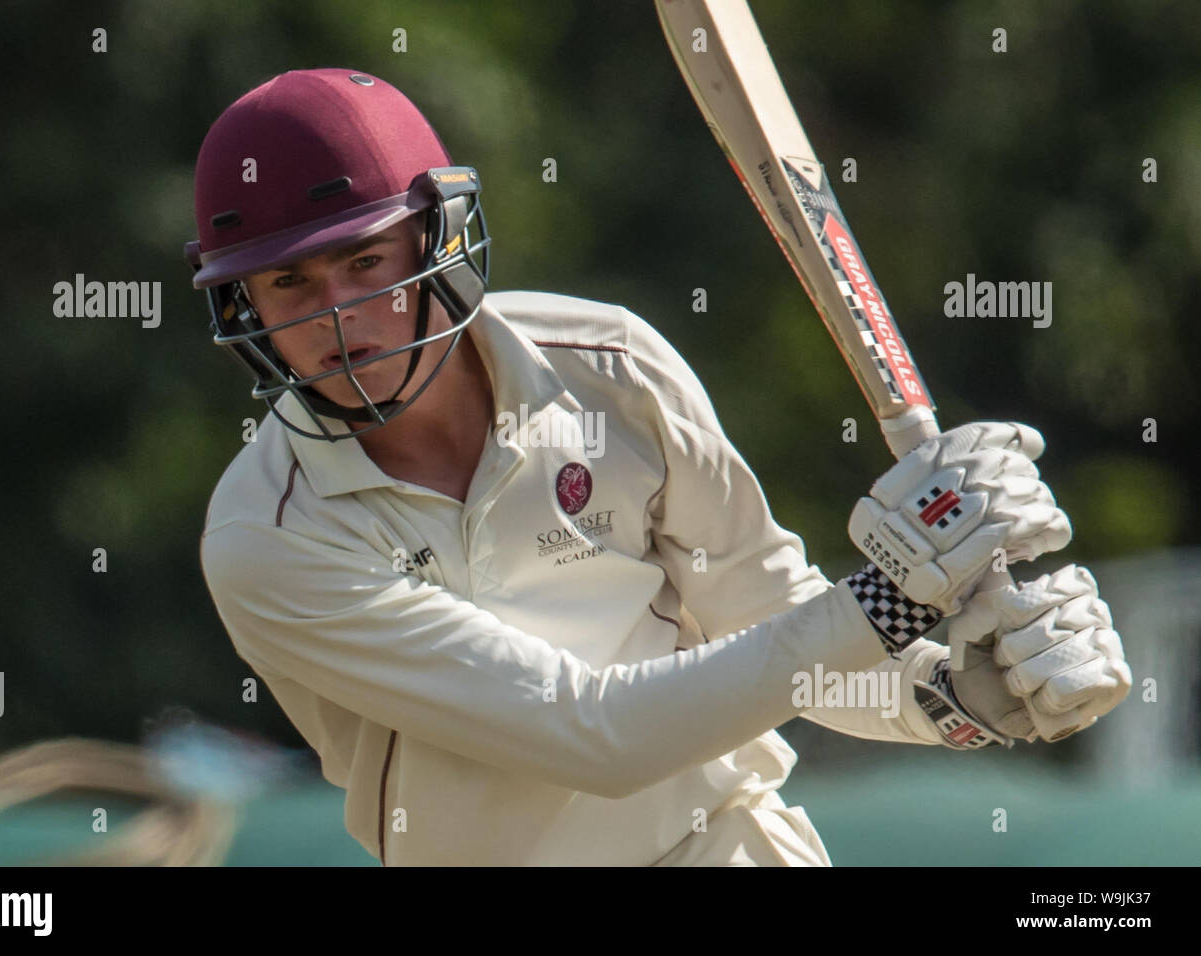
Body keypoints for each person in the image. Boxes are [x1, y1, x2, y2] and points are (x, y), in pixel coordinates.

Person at [186, 68, 1131, 866]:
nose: (339, 317)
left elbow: (770, 630)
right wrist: (895, 598)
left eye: (363, 260)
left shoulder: (610, 371)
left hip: (728, 845)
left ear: (439, 241)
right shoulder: (269, 539)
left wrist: (951, 696)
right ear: (245, 309)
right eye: (289, 283)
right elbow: (592, 735)